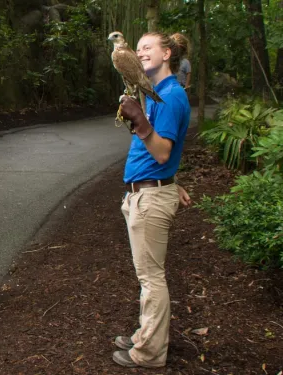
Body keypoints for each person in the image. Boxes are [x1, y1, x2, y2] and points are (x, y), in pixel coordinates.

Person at [113, 32, 193, 368]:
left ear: (168, 53)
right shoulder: (157, 93)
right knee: (148, 277)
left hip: (150, 196)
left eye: (148, 48)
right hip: (146, 192)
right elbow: (164, 150)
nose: (140, 52)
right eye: (138, 48)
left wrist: (140, 120)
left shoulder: (172, 96)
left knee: (152, 278)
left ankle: (149, 352)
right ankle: (147, 334)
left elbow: (161, 152)